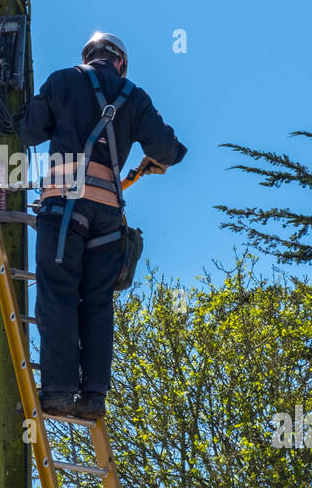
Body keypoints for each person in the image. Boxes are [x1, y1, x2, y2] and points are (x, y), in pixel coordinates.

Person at [14, 32, 186, 419]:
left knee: (58, 296)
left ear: (88, 55)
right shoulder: (134, 97)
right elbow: (166, 150)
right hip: (107, 217)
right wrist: (166, 157)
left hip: (64, 212)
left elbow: (28, 131)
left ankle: (58, 391)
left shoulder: (63, 81)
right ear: (121, 62)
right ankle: (93, 397)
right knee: (97, 305)